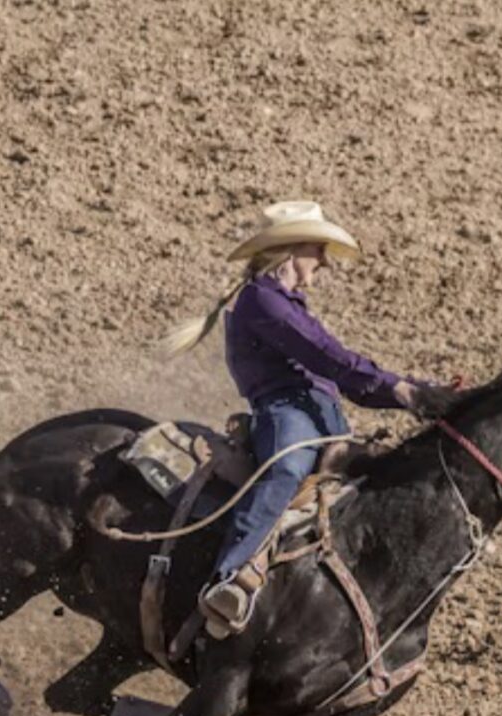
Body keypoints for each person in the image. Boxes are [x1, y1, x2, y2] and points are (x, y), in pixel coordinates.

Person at [163, 201, 458, 634]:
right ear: (290, 250)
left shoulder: (285, 304)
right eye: (318, 248)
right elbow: (330, 358)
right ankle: (230, 576)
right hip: (287, 412)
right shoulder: (263, 301)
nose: (323, 260)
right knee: (285, 469)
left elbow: (346, 373)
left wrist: (409, 390)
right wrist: (404, 390)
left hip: (320, 413)